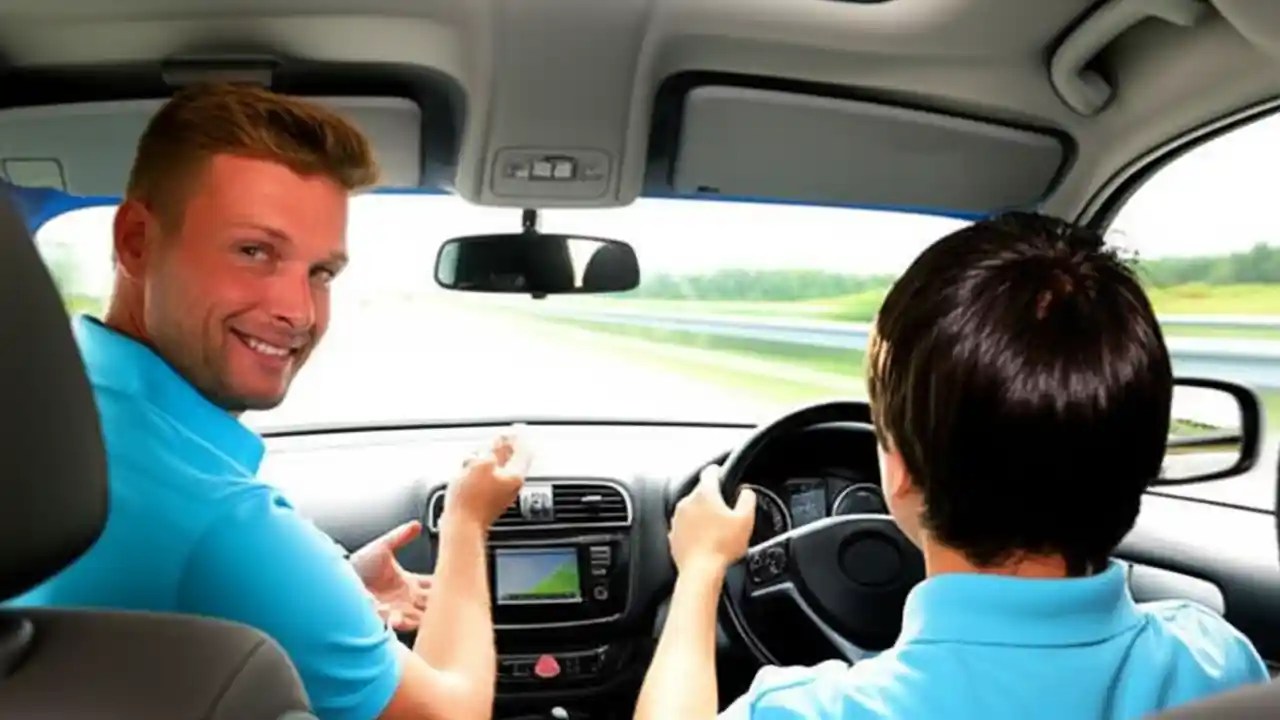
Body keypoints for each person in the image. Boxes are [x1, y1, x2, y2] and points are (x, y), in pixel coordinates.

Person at [5, 82, 524, 720]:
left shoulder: (64, 403)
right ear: (136, 241)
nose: (298, 310)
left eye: (321, 273)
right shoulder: (224, 525)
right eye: (254, 252)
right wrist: (469, 522)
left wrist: (330, 595)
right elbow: (454, 713)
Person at [634, 212, 1270, 720]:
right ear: (1140, 455)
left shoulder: (813, 710)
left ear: (901, 470)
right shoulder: (1212, 659)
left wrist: (702, 567)